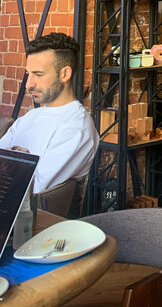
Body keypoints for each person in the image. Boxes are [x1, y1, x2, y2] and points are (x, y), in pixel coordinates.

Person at [0, 33, 99, 195]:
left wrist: (16, 163)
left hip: (33, 210)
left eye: (38, 74)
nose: (29, 84)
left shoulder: (76, 127)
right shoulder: (31, 117)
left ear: (65, 74)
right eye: (28, 74)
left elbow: (34, 190)